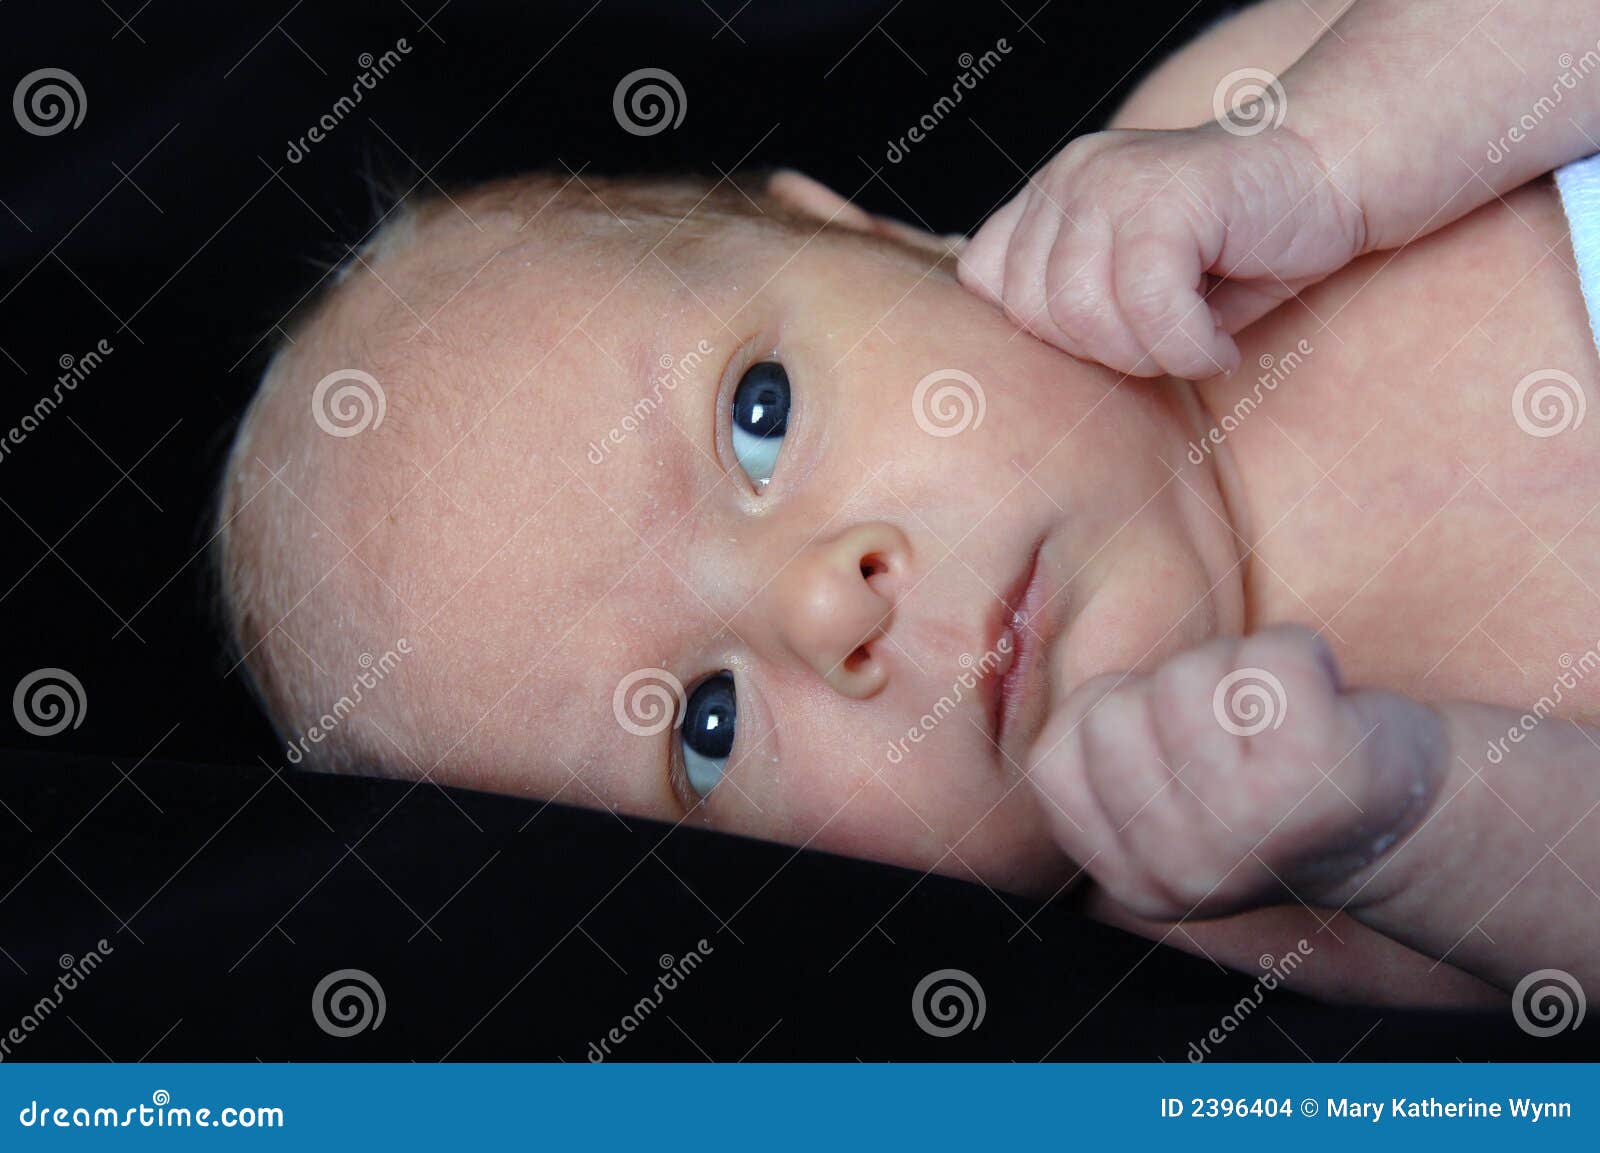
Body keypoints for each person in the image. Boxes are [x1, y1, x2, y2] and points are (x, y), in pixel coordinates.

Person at [214, 0, 1600, 1006]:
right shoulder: (1241, 882)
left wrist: (1324, 160)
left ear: (876, 240)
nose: (828, 600)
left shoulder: (1218, 124)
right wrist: (1403, 819)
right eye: (705, 727)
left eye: (761, 416)